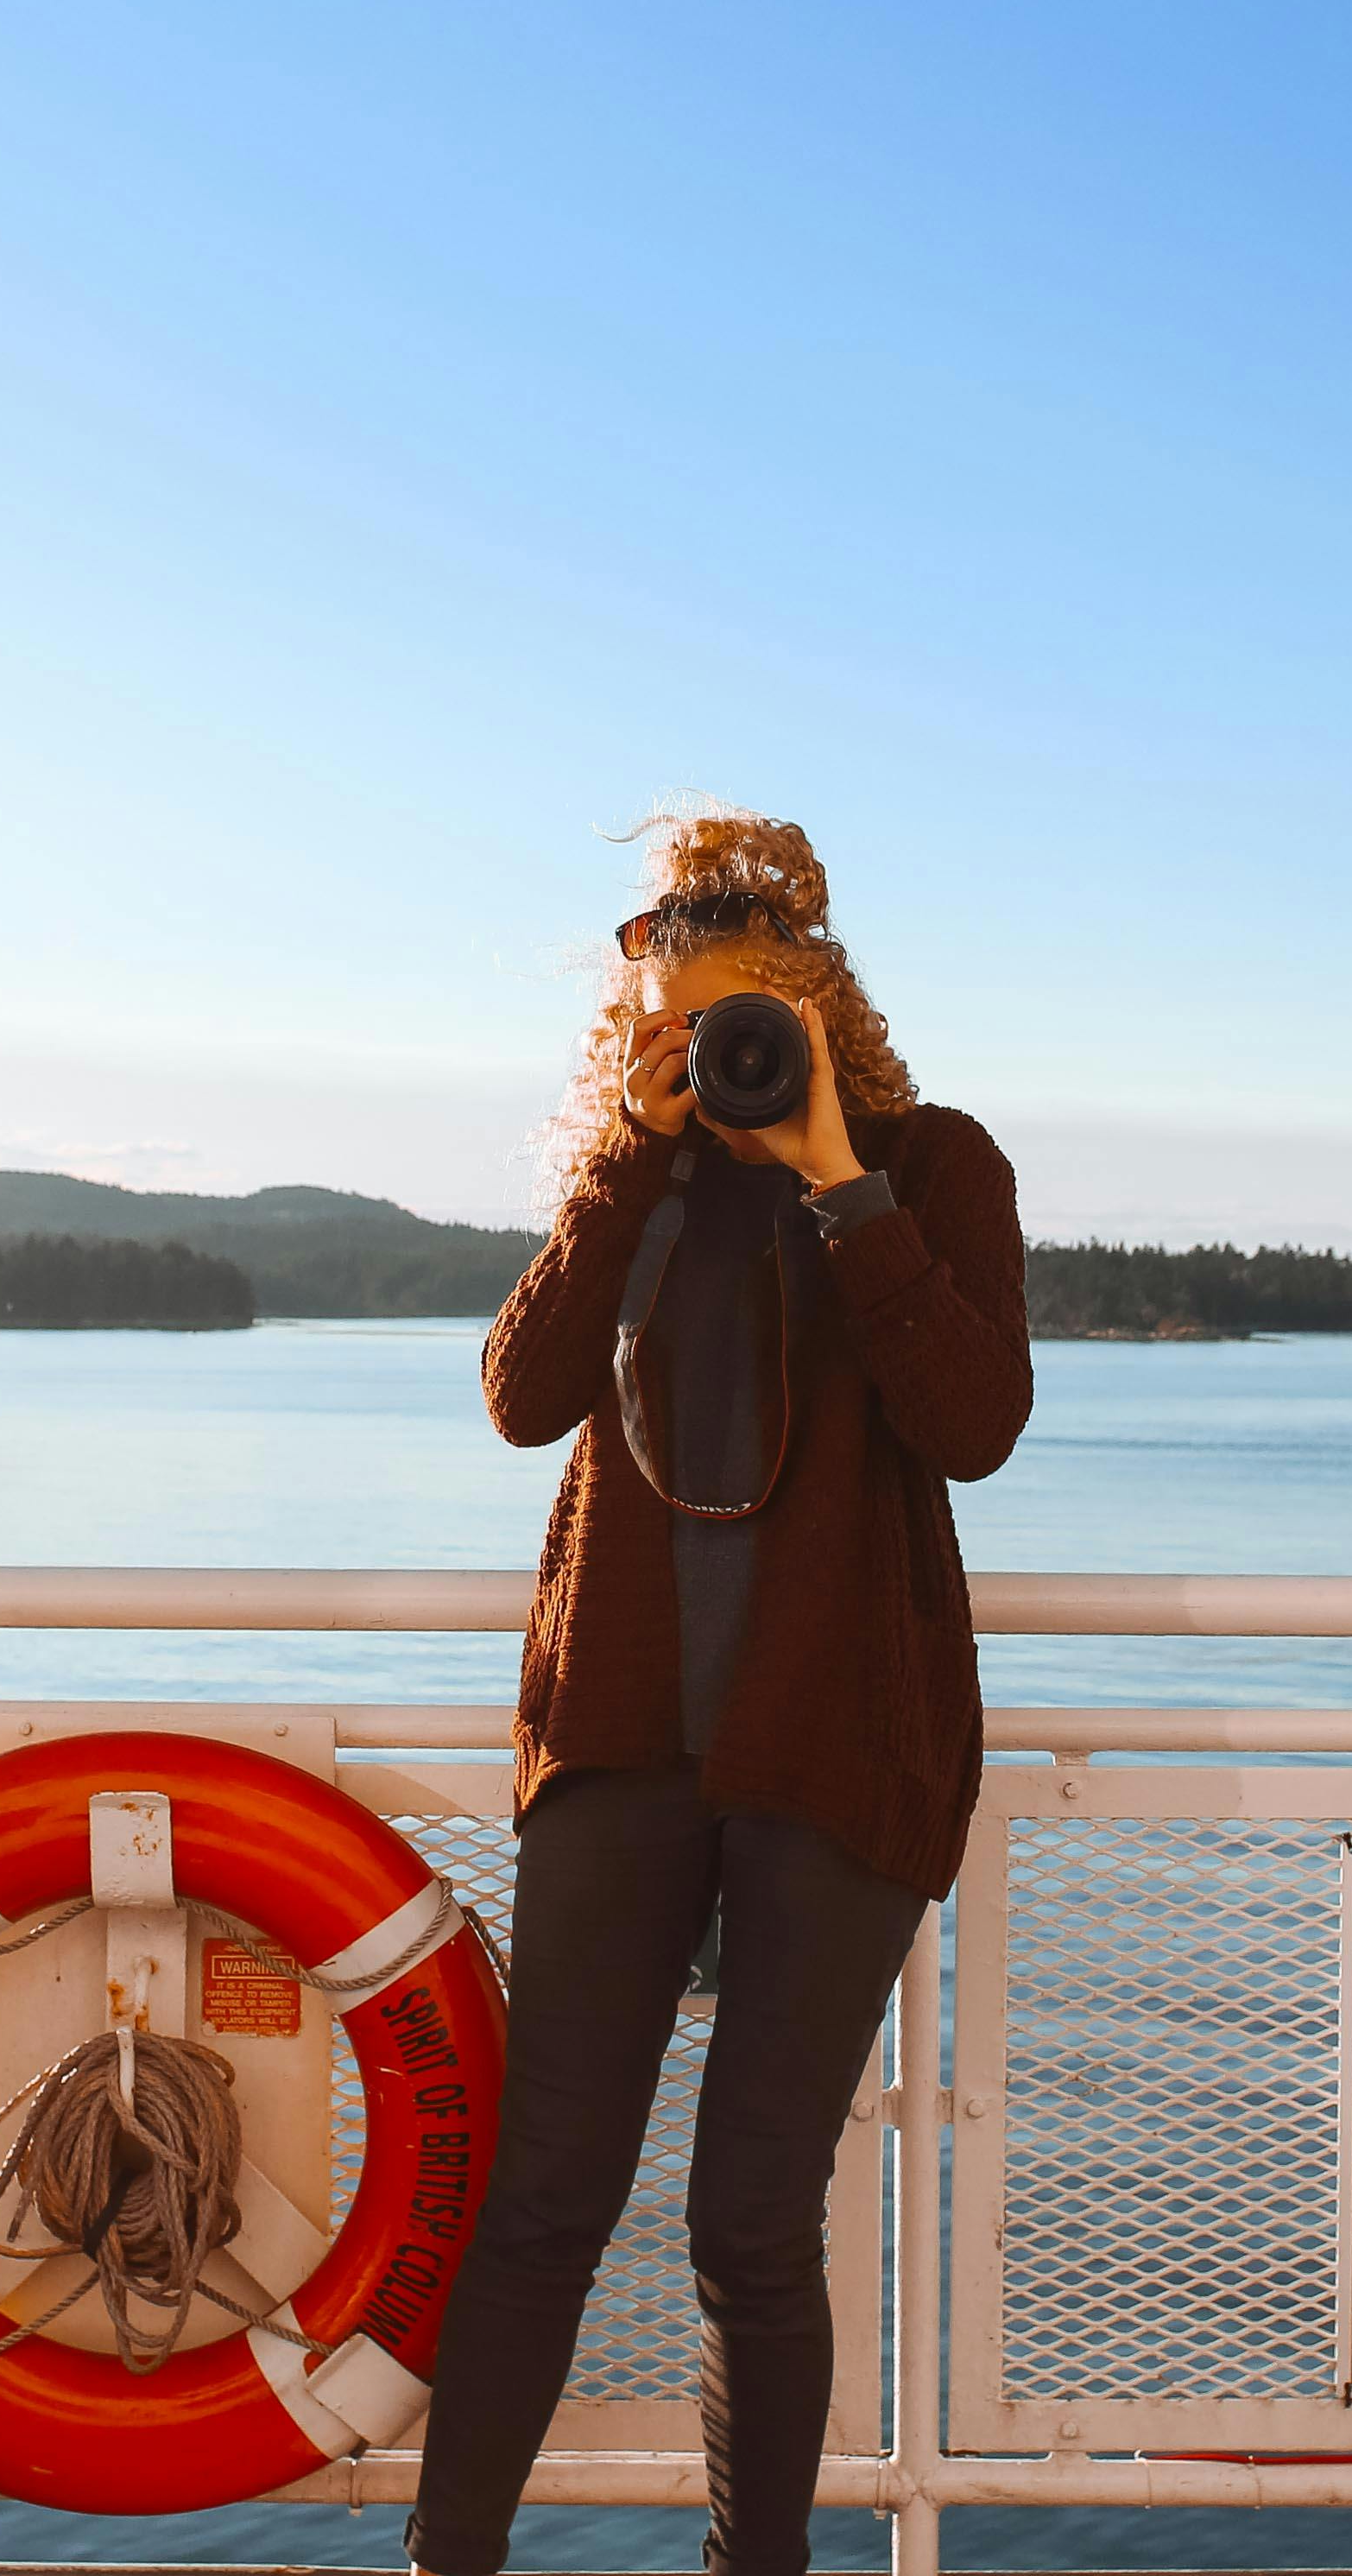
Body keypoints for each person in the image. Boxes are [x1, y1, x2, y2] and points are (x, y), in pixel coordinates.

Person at [407, 807, 1032, 2576]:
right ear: (644, 1024)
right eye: (683, 1022)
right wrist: (625, 1156)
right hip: (617, 1748)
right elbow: (521, 1395)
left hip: (832, 1752)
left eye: (748, 1017)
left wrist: (844, 1184)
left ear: (819, 1000)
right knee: (539, 2203)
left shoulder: (938, 1162)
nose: (721, 1053)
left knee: (750, 2223)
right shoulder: (632, 1174)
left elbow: (973, 1424)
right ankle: (443, 2565)